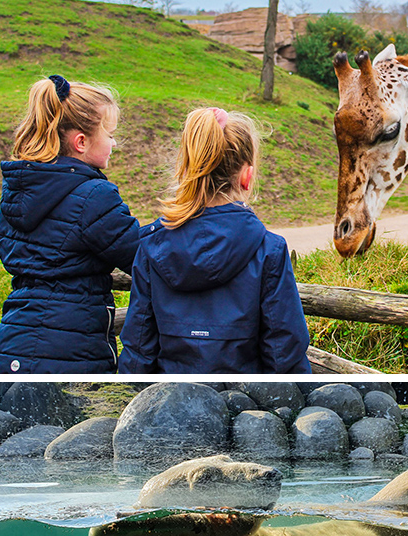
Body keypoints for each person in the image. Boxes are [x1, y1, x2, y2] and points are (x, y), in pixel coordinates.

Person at [118, 107, 311, 374]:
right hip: (246, 406)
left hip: (167, 403)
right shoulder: (269, 250)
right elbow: (284, 351)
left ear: (187, 167)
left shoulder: (152, 246)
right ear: (247, 176)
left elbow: (139, 348)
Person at [0, 74, 141, 374]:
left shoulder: (19, 189)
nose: (114, 142)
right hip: (70, 355)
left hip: (13, 343)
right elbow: (142, 256)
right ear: (81, 142)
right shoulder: (93, 196)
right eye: (109, 134)